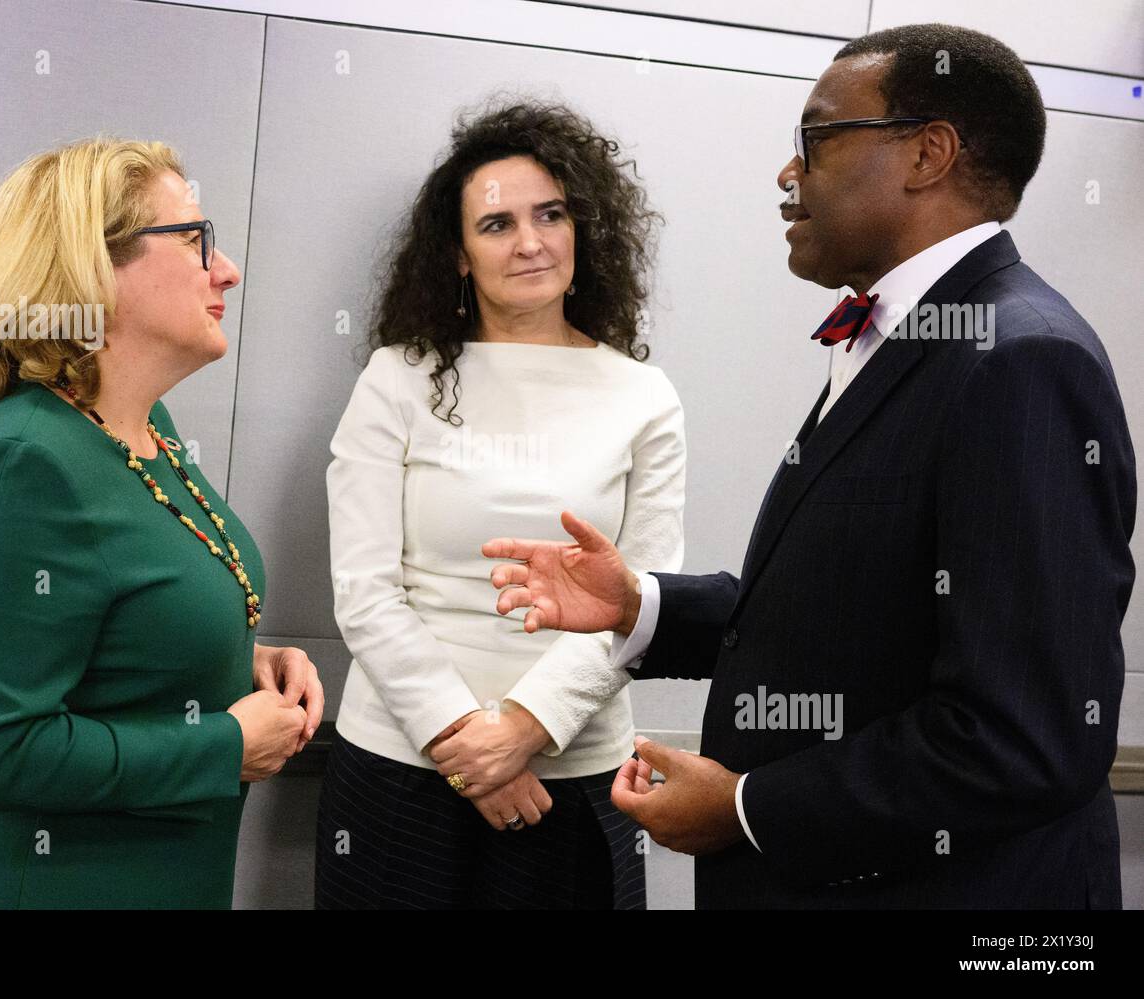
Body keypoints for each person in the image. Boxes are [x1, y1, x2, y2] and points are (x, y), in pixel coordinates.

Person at [484, 25, 1135, 909]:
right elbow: (862, 622)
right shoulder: (908, 335)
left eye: (816, 138)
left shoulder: (1022, 360)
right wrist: (643, 605)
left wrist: (747, 809)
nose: (788, 172)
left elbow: (1021, 736)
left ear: (928, 154)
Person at [0, 137, 323, 908]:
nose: (227, 269)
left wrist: (238, 655)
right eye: (196, 239)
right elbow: (2, 750)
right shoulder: (24, 460)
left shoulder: (146, 426)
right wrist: (226, 744)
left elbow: (123, 632)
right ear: (92, 267)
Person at [316, 102, 683, 908]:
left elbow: (643, 599)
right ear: (457, 252)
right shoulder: (396, 379)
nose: (530, 242)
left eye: (551, 214)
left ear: (582, 230)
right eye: (496, 223)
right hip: (403, 773)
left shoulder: (644, 396)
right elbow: (365, 591)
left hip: (575, 778)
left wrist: (523, 727)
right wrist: (464, 741)